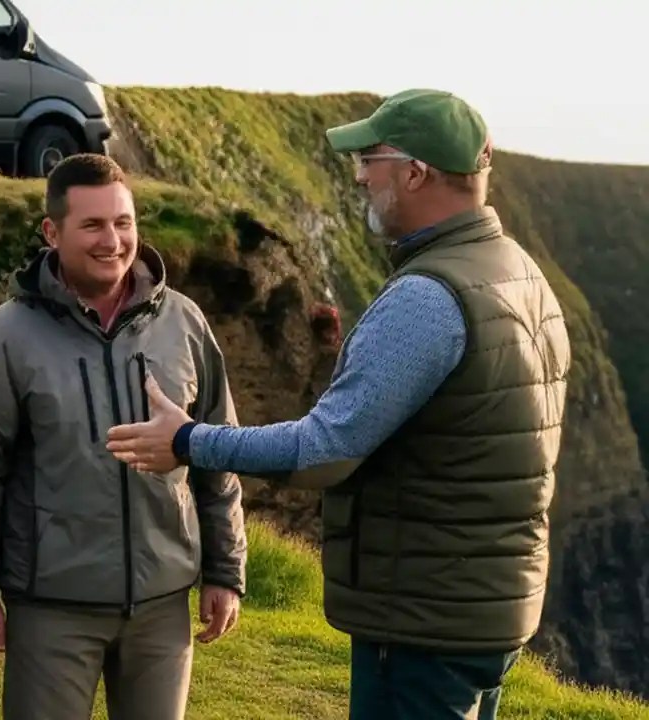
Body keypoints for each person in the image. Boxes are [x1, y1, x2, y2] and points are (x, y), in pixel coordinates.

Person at [105, 89, 571, 719]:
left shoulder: (428, 299)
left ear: (415, 173)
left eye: (370, 158)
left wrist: (188, 440)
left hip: (422, 621)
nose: (357, 175)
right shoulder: (521, 272)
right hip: (488, 608)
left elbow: (322, 450)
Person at [0, 153, 248, 720]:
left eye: (123, 222)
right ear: (52, 232)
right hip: (51, 607)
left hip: (163, 607)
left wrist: (225, 572)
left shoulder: (184, 321)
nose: (112, 240)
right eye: (92, 225)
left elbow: (217, 456)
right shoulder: (7, 335)